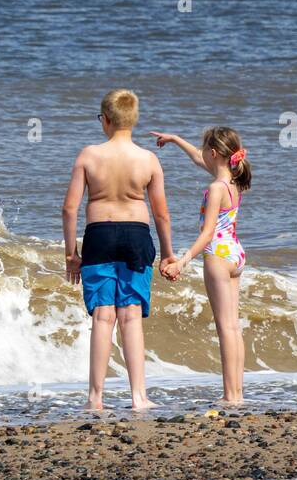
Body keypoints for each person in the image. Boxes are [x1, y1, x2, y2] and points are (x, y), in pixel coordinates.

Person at [62, 89, 176, 411]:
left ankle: (95, 398)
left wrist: (71, 255)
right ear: (133, 121)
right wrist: (168, 253)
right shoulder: (148, 159)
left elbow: (69, 209)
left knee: (102, 316)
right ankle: (139, 397)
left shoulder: (88, 156)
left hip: (99, 234)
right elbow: (161, 213)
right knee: (130, 317)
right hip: (136, 236)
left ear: (106, 120)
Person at [150, 127, 253, 405]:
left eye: (204, 149)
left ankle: (229, 395)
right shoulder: (233, 180)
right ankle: (237, 393)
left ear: (214, 153)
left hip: (217, 256)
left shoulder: (215, 188)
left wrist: (181, 262)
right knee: (234, 327)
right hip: (236, 254)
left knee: (225, 329)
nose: (201, 154)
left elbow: (207, 233)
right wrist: (174, 140)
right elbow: (198, 158)